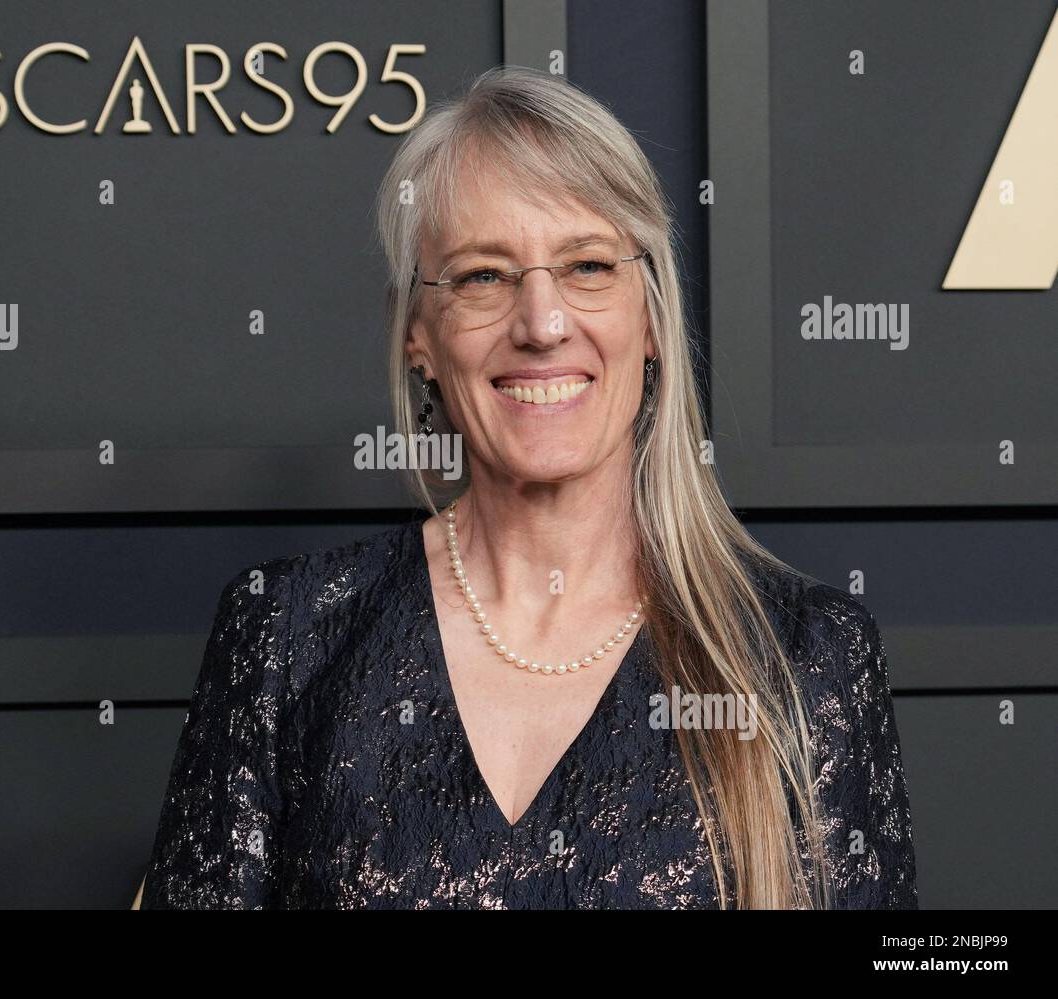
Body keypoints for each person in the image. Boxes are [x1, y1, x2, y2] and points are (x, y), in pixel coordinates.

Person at [137, 66, 917, 909]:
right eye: (483, 276)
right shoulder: (287, 637)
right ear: (418, 338)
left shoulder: (808, 660)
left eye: (586, 265)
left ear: (650, 318)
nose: (542, 323)